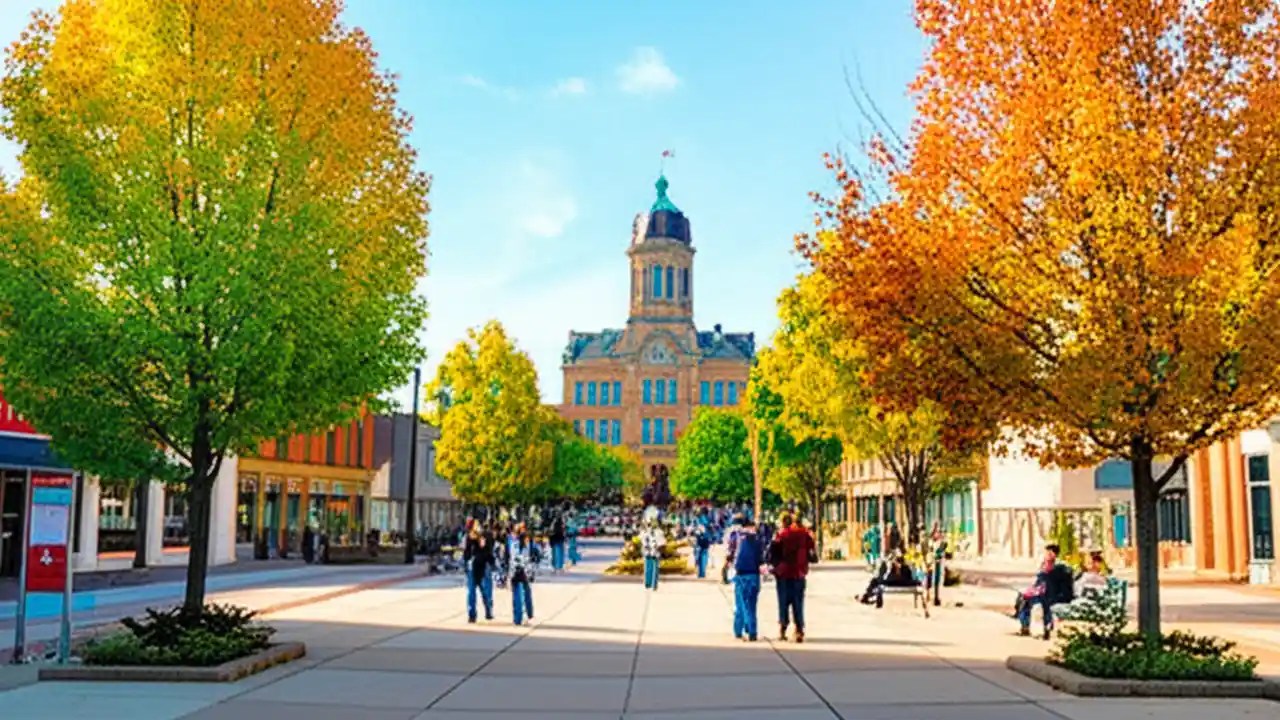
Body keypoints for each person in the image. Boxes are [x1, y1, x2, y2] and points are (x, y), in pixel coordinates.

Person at [771, 512, 816, 643]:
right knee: (798, 603)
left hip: (783, 573)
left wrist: (775, 568)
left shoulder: (781, 535)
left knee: (783, 602)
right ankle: (799, 629)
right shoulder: (804, 535)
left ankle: (783, 628)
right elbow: (812, 552)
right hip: (799, 573)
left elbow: (773, 553)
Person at [1015, 544, 1075, 639]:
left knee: (1034, 602)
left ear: (1054, 554)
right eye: (1046, 553)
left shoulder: (1059, 568)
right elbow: (1039, 583)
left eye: (1049, 553)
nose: (1047, 556)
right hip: (1047, 594)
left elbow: (1048, 584)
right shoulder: (1045, 567)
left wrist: (1035, 590)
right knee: (1024, 599)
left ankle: (1034, 625)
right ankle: (1026, 625)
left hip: (1055, 595)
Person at [730, 518, 765, 641]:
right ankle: (752, 630)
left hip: (740, 575)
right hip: (753, 575)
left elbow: (730, 555)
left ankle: (739, 630)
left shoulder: (736, 538)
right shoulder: (758, 540)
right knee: (751, 605)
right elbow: (761, 559)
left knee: (740, 603)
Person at [462, 520, 495, 623]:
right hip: (480, 565)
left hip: (478, 565)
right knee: (481, 590)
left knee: (476, 590)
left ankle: (475, 614)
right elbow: (488, 550)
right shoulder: (476, 536)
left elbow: (467, 553)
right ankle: (484, 612)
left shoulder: (481, 536)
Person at [506, 526, 535, 625]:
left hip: (516, 572)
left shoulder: (513, 545)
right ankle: (528, 614)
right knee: (525, 595)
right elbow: (529, 560)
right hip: (524, 573)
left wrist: (509, 575)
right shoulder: (526, 546)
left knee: (517, 596)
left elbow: (511, 559)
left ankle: (517, 618)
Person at [641, 521, 665, 591]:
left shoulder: (645, 532)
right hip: (653, 552)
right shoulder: (659, 532)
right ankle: (652, 585)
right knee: (653, 569)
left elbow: (642, 542)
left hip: (649, 552)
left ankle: (649, 584)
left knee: (648, 568)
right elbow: (662, 544)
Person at [722, 513, 745, 585]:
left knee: (732, 565)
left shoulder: (730, 530)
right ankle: (734, 579)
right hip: (738, 552)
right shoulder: (742, 530)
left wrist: (727, 551)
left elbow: (726, 541)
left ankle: (731, 579)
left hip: (733, 552)